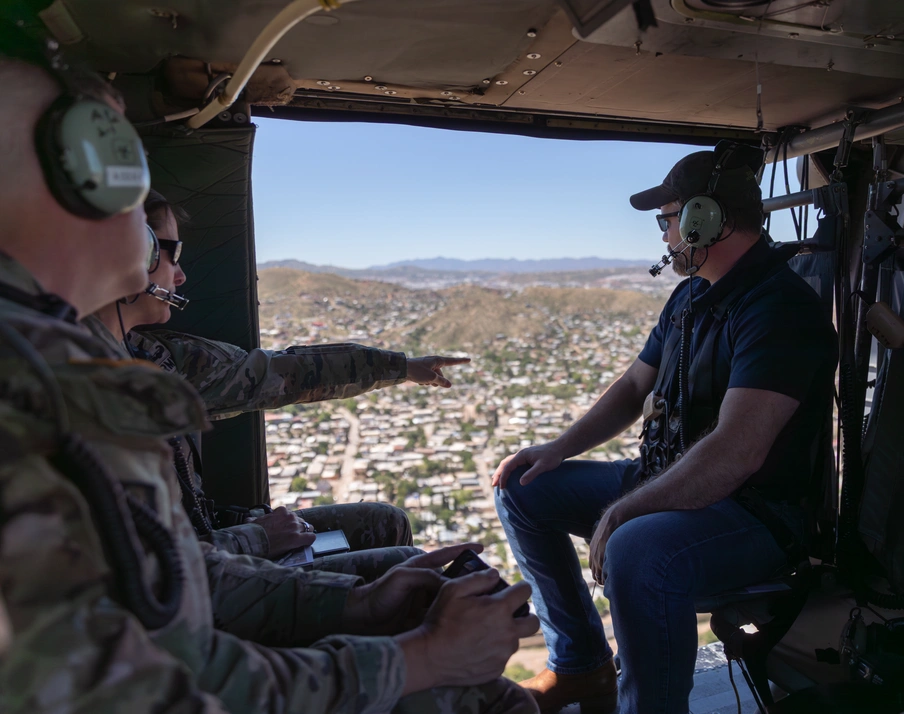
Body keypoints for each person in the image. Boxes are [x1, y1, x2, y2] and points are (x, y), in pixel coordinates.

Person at [0, 31, 539, 713]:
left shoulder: (90, 372)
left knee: (394, 555)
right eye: (113, 163)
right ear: (79, 174)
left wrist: (366, 604)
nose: (171, 263)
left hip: (219, 613)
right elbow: (152, 681)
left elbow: (177, 581)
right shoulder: (41, 399)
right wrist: (420, 659)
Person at [493, 142, 838, 713]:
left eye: (668, 219)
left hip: (755, 514)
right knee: (523, 487)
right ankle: (582, 667)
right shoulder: (688, 297)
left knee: (636, 548)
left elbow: (736, 452)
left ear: (706, 218)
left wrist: (625, 511)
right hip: (671, 481)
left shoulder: (778, 310)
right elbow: (633, 388)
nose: (663, 235)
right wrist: (557, 448)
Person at [89, 189, 469, 580]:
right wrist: (254, 537)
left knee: (385, 523)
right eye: (171, 252)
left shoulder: (156, 358)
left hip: (207, 545)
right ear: (134, 253)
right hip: (187, 589)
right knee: (408, 572)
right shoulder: (82, 390)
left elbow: (286, 371)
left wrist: (402, 367)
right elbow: (130, 570)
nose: (181, 275)